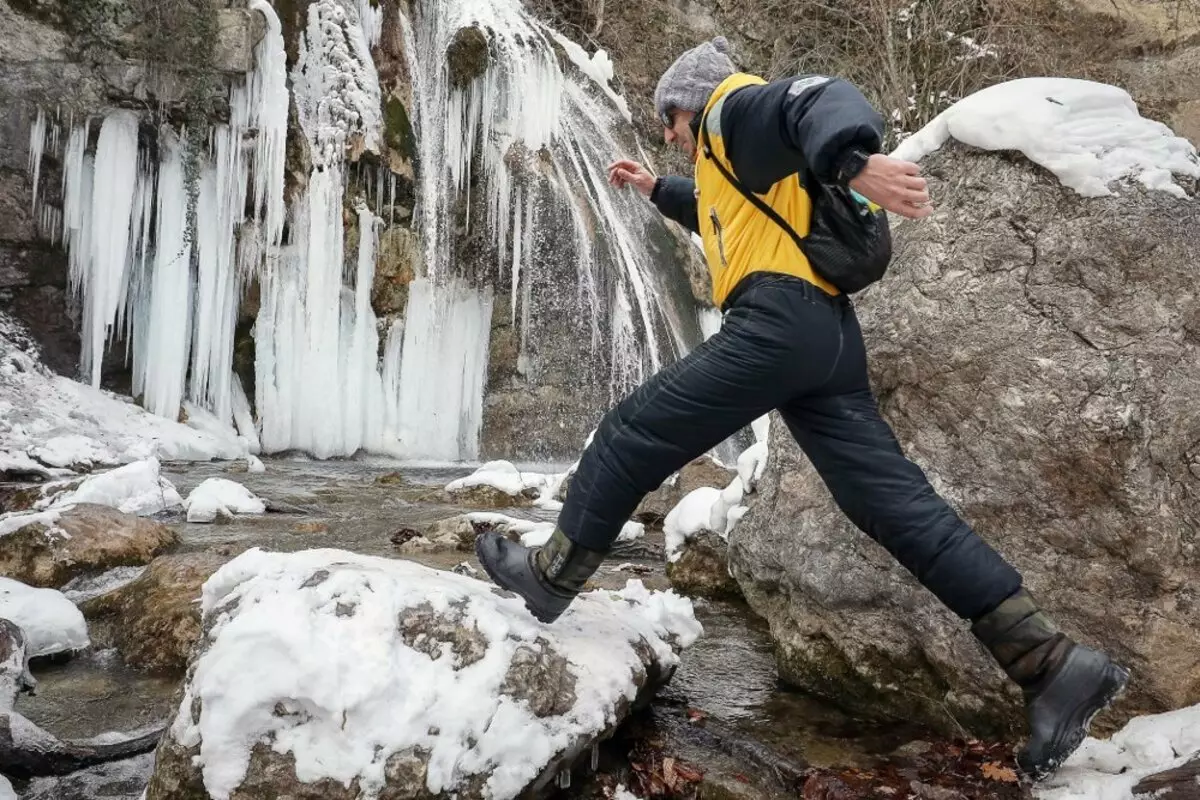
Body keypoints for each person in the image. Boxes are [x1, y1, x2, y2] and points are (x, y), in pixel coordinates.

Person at [476, 35, 1128, 780]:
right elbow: (729, 215)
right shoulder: (744, 168)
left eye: (669, 120)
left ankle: (552, 575)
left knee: (631, 432)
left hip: (777, 326)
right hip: (828, 341)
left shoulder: (732, 110)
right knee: (893, 506)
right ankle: (1049, 662)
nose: (669, 136)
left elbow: (820, 98)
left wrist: (856, 161)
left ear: (691, 106)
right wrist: (655, 189)